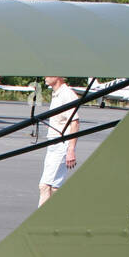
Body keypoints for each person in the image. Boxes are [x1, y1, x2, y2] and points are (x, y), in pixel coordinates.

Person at [38, 75, 80, 207]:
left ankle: (39, 222)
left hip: (61, 144)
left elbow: (75, 122)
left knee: (45, 186)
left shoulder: (67, 95)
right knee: (55, 187)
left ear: (58, 77)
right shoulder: (56, 94)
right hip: (53, 142)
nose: (45, 76)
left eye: (49, 74)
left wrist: (71, 149)